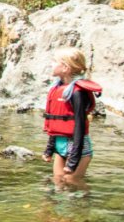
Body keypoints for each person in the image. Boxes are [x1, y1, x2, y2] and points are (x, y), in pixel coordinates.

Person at [42, 47, 102, 190]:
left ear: (65, 68)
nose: (51, 64)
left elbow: (79, 125)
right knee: (58, 181)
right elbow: (55, 124)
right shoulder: (57, 88)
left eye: (54, 61)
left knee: (71, 182)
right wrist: (49, 149)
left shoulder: (77, 93)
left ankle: (84, 201)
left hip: (78, 147)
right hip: (60, 144)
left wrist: (73, 160)